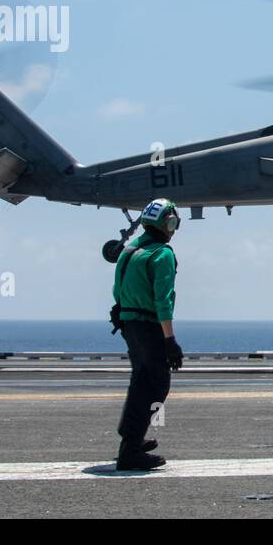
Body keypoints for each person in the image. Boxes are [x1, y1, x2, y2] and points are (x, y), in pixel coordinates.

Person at [110, 198, 185, 471]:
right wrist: (170, 341)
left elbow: (117, 292)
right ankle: (130, 451)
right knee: (156, 385)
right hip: (150, 326)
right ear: (166, 223)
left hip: (129, 325)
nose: (174, 228)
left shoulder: (129, 251)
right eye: (172, 222)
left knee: (140, 381)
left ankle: (131, 438)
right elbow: (162, 301)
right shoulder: (162, 254)